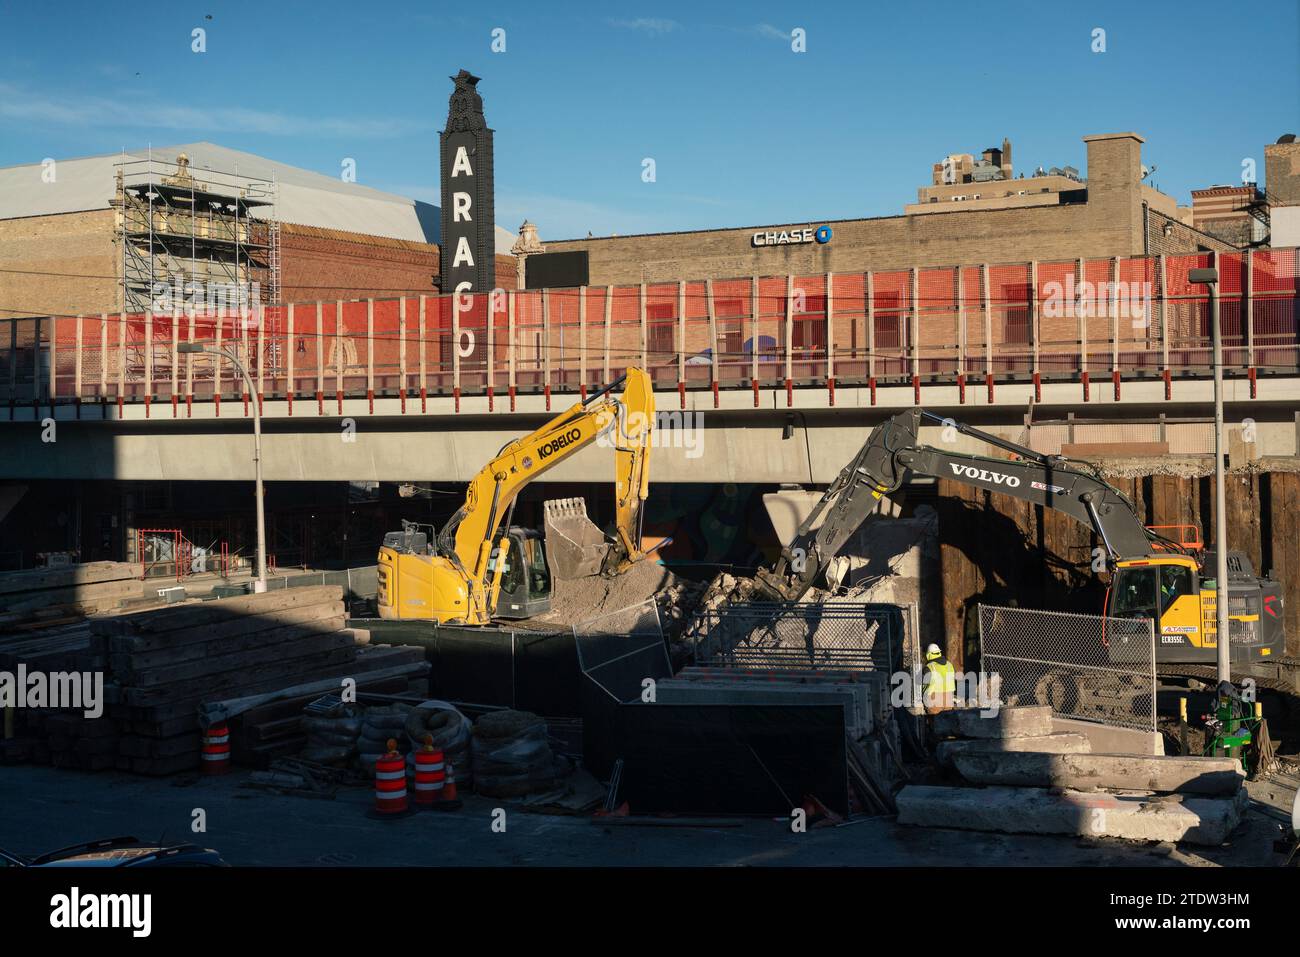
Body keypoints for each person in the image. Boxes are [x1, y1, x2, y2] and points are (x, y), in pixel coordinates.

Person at [922, 643, 956, 714]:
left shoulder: (929, 667)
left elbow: (924, 686)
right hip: (949, 699)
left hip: (934, 700)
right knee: (947, 721)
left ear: (928, 655)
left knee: (934, 721)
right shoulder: (949, 665)